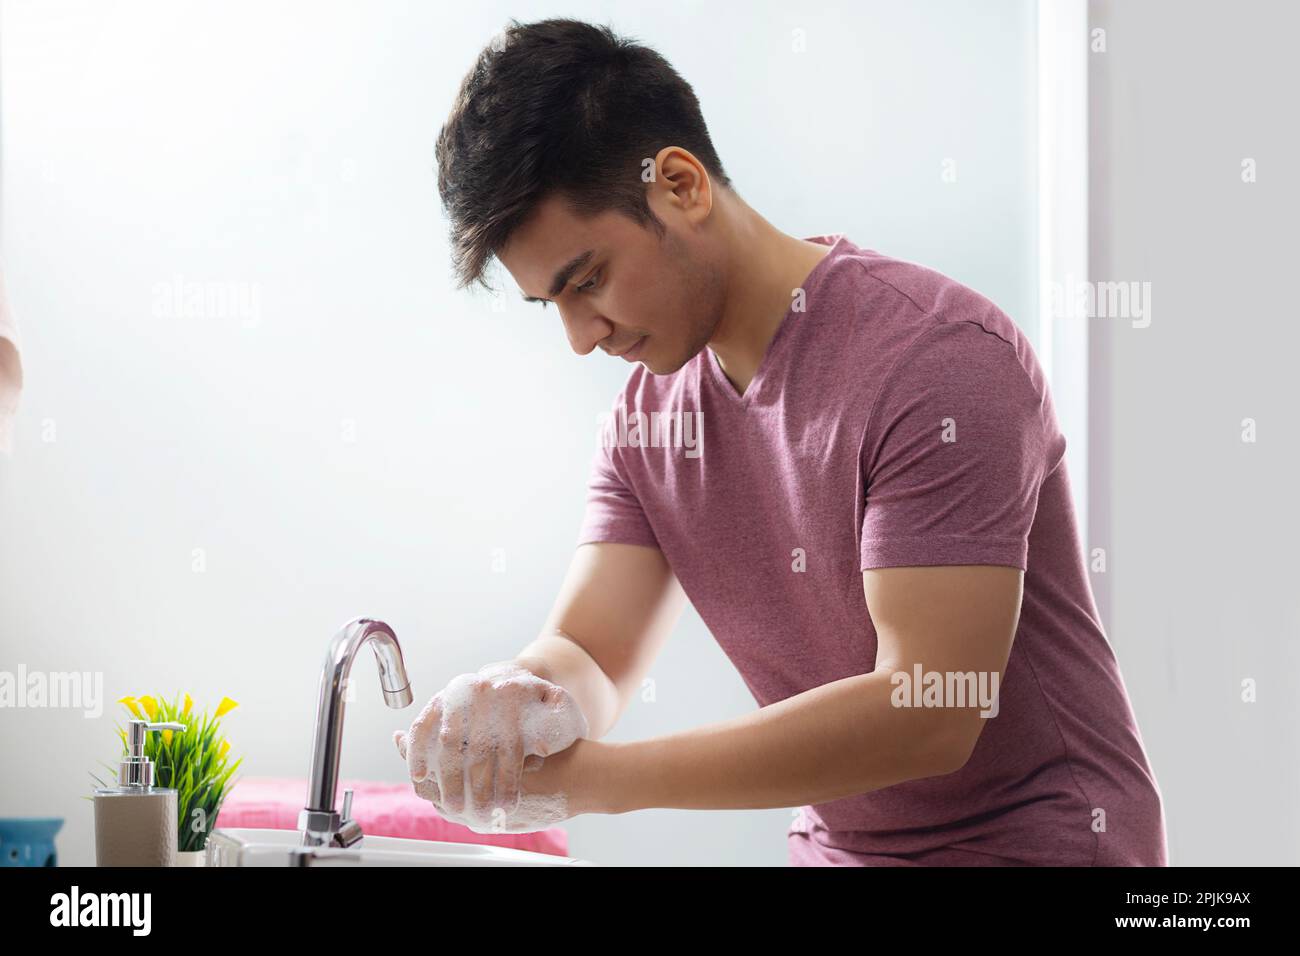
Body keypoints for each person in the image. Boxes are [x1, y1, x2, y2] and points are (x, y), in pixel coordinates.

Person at [395, 16, 1167, 866]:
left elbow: (929, 711)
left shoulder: (937, 360)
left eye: (588, 281)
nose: (582, 336)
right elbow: (590, 654)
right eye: (553, 305)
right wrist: (516, 695)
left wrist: (597, 783)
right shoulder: (648, 423)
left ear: (681, 186)